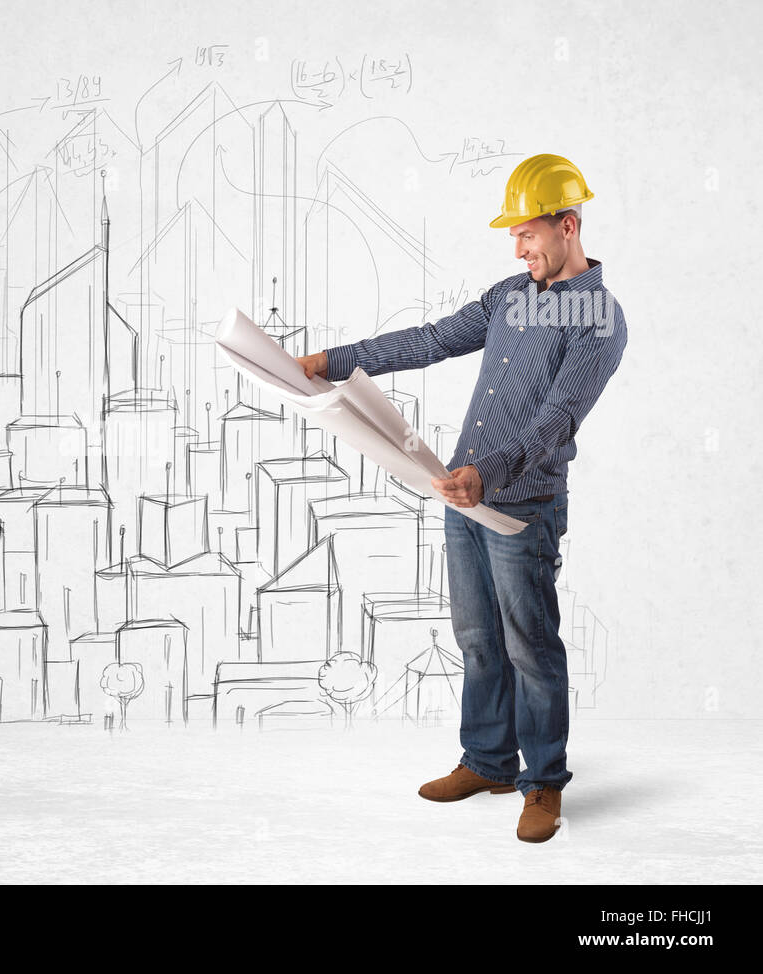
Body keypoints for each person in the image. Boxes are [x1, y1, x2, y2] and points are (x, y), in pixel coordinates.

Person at [295, 153, 627, 843]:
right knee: (477, 638)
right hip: (463, 493)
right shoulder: (509, 293)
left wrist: (491, 471)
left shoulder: (599, 319)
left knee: (530, 646)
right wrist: (331, 361)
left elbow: (557, 420)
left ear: (569, 226)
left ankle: (543, 787)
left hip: (522, 503)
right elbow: (432, 339)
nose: (518, 246)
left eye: (528, 232)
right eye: (513, 235)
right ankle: (487, 761)